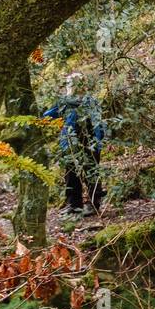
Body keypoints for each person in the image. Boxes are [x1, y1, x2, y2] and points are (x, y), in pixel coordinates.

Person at [44, 73, 106, 216]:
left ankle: (93, 204)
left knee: (91, 173)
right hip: (71, 143)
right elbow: (47, 115)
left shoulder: (90, 101)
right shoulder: (64, 102)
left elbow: (99, 123)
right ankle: (74, 205)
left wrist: (98, 142)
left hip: (90, 142)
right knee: (71, 174)